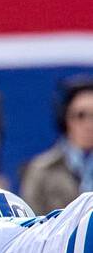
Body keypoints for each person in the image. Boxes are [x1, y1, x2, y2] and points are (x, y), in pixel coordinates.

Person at [21, 75, 93, 215]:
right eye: (81, 115)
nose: (89, 125)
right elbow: (32, 225)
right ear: (65, 118)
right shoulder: (41, 170)